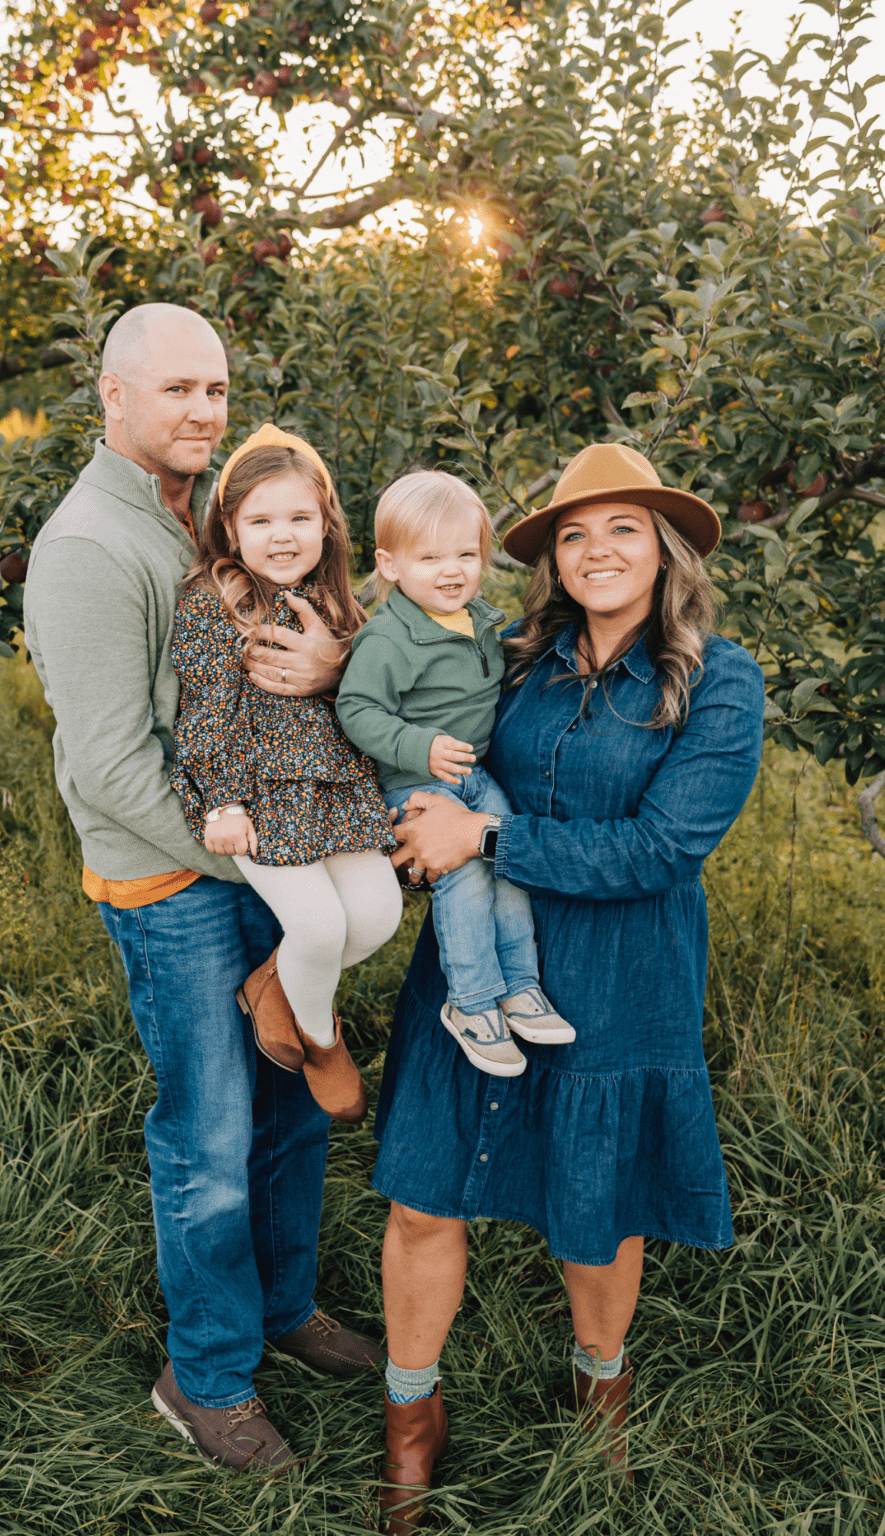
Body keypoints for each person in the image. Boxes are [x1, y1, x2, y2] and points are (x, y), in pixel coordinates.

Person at [372, 442, 766, 1531]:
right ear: (552, 563)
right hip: (478, 966)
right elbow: (410, 716)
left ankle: (603, 1396)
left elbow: (660, 850)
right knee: (425, 1192)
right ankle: (411, 1420)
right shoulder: (512, 660)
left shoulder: (717, 678)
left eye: (622, 529)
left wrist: (484, 834)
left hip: (618, 975)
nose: (597, 550)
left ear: (664, 548)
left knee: (596, 1211)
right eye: (574, 535)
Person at [23, 303, 385, 1478]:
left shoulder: (208, 523)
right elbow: (109, 763)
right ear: (113, 397)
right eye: (175, 389)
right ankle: (210, 1376)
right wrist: (268, 861)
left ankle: (282, 1306)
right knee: (210, 1132)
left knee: (283, 1107)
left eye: (216, 391)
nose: (202, 410)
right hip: (175, 881)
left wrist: (335, 673)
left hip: (256, 858)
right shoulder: (92, 547)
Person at [170, 423, 402, 1123]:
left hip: (335, 790)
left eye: (300, 518)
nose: (282, 535)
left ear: (326, 527)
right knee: (319, 927)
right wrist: (225, 802)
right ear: (230, 528)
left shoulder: (334, 603)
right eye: (261, 519)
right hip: (257, 796)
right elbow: (208, 710)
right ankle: (322, 1040)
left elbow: (363, 699)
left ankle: (269, 986)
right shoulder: (216, 600)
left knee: (379, 915)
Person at [336, 470, 574, 1079]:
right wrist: (419, 745)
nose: (452, 570)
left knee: (508, 855)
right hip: (415, 784)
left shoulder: (482, 623)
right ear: (389, 564)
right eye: (431, 556)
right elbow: (356, 708)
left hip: (473, 776)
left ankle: (518, 985)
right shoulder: (390, 637)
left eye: (467, 553)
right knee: (465, 874)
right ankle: (471, 1002)